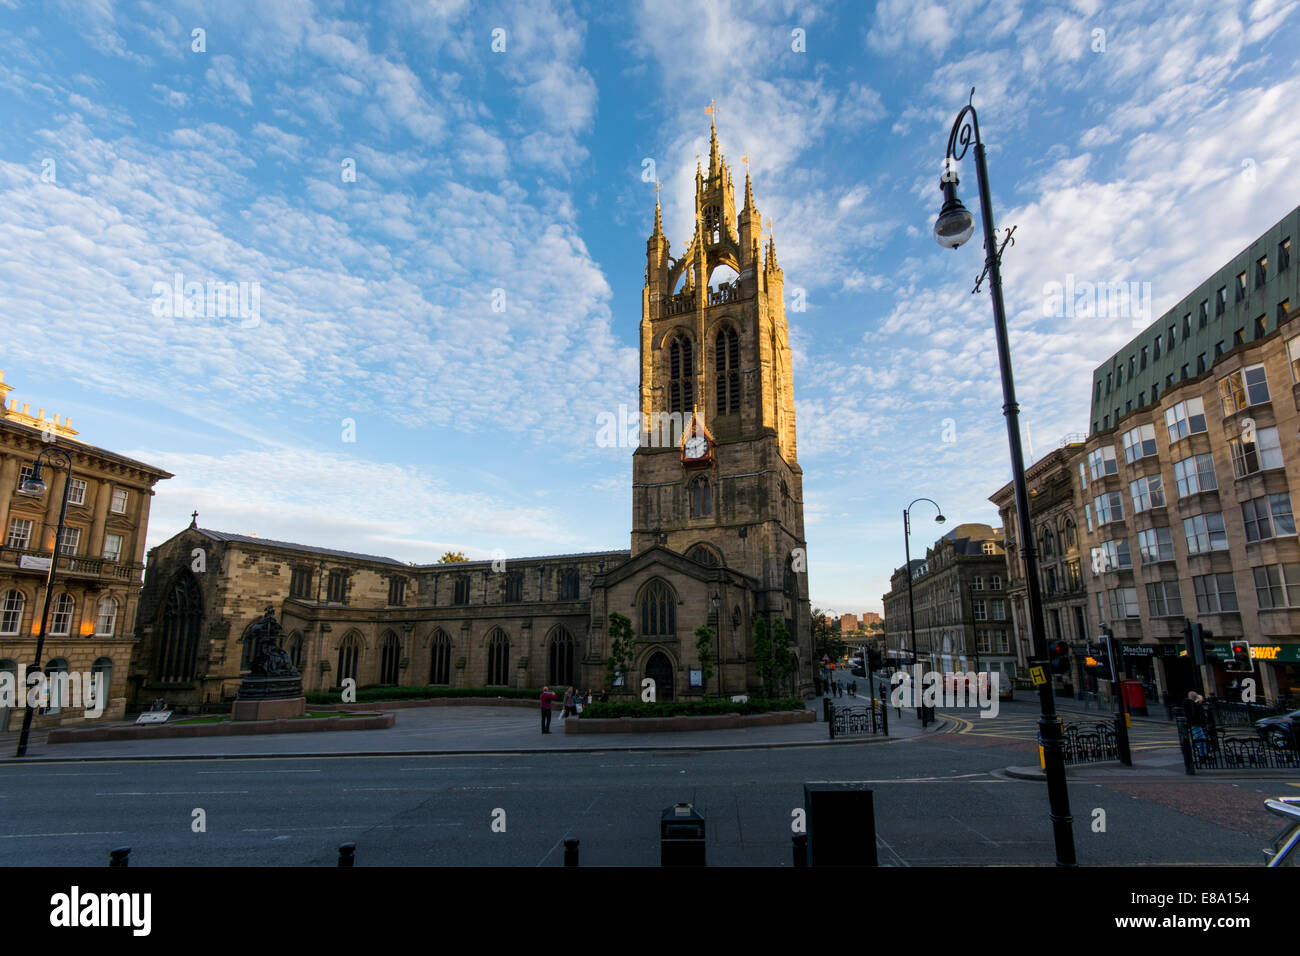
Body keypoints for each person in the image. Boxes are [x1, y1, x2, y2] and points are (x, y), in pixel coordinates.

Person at [1184, 691, 1209, 756]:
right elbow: (1194, 715)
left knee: (1200, 739)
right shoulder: (1192, 704)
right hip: (1196, 724)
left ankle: (1201, 754)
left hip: (1196, 724)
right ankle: (1203, 755)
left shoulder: (1190, 703)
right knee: (1201, 739)